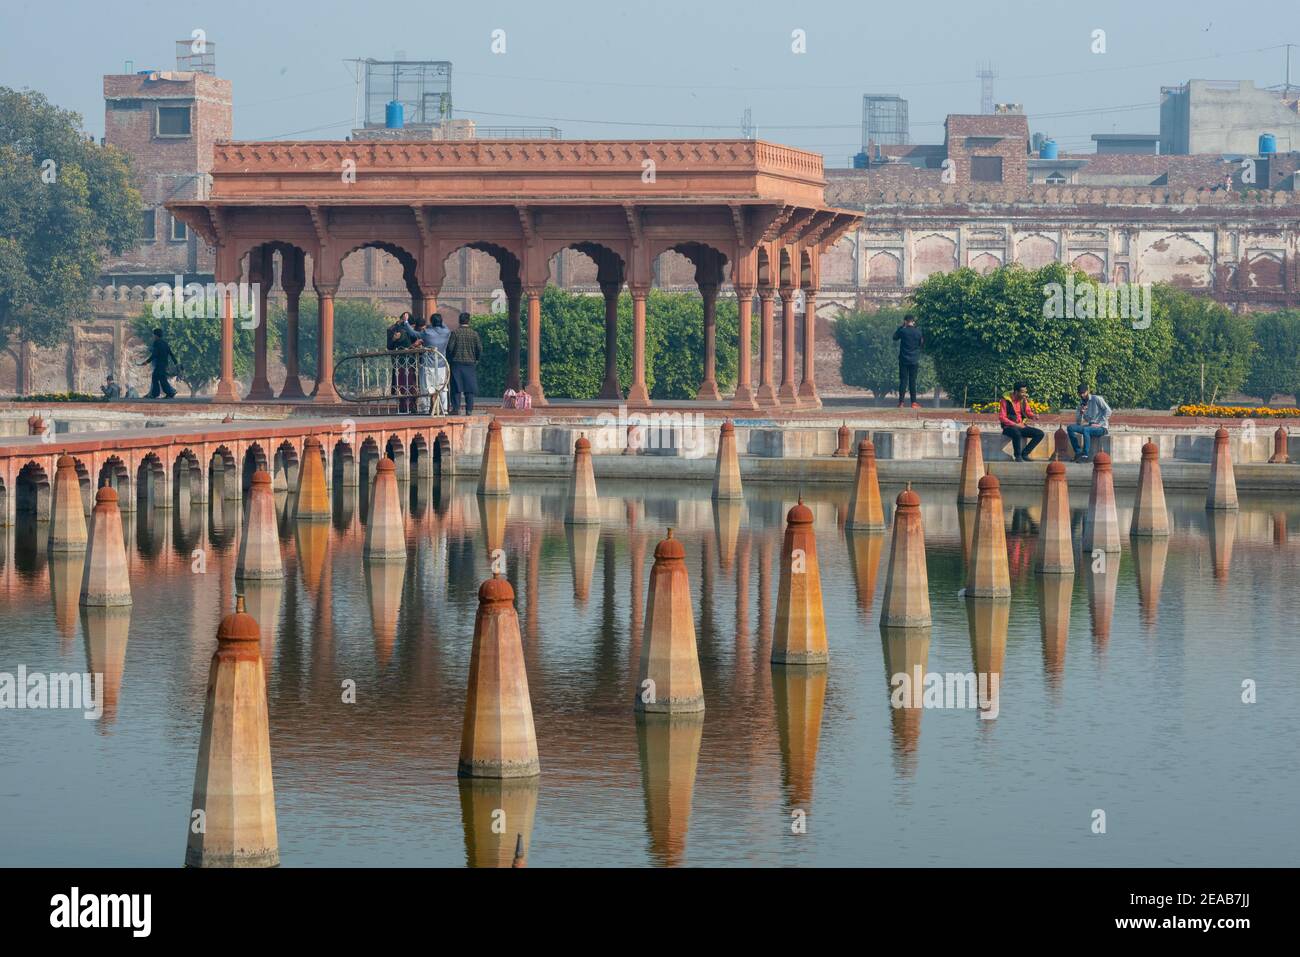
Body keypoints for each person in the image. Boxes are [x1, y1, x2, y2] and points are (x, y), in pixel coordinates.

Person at [446, 312, 483, 415]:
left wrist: (449, 360)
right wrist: (476, 359)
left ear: (459, 321)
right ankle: (469, 410)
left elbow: (450, 348)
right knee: (469, 388)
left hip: (457, 363)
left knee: (456, 387)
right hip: (470, 363)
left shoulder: (455, 333)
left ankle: (456, 409)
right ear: (468, 321)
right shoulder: (474, 333)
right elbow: (479, 348)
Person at [998, 380, 1044, 461]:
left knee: (1040, 433)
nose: (1025, 394)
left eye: (1025, 392)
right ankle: (1018, 456)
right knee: (1016, 433)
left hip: (1021, 426)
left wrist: (1033, 416)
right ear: (1016, 392)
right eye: (1022, 392)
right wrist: (1016, 425)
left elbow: (1028, 411)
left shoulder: (1023, 399)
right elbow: (1002, 417)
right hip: (1008, 427)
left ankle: (1025, 454)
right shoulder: (1005, 400)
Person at [1067, 383, 1112, 462]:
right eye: (1080, 393)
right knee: (1070, 428)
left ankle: (1085, 455)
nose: (1082, 395)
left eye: (1083, 393)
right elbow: (1078, 423)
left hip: (1102, 428)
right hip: (1090, 426)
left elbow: (1108, 411)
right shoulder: (1081, 404)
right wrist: (1081, 413)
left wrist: (1100, 424)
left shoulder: (1097, 399)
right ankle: (1078, 452)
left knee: (1086, 430)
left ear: (1087, 391)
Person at [892, 313, 923, 409]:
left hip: (903, 360)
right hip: (914, 360)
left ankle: (901, 402)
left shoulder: (903, 331)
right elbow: (921, 344)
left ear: (905, 321)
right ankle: (914, 403)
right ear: (913, 321)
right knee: (912, 381)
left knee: (903, 381)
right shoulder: (918, 332)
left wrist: (901, 327)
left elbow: (894, 337)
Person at [387, 312, 414, 413]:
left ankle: (409, 407)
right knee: (403, 385)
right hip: (402, 362)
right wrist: (394, 338)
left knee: (408, 385)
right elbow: (389, 346)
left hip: (408, 362)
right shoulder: (394, 330)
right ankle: (405, 407)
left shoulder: (409, 330)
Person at [139, 328, 177, 399]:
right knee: (161, 379)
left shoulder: (157, 342)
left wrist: (147, 362)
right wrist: (176, 362)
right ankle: (167, 393)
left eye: (153, 335)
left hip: (159, 364)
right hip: (165, 364)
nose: (153, 336)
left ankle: (166, 393)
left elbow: (154, 354)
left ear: (156, 335)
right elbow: (171, 353)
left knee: (157, 378)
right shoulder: (165, 343)